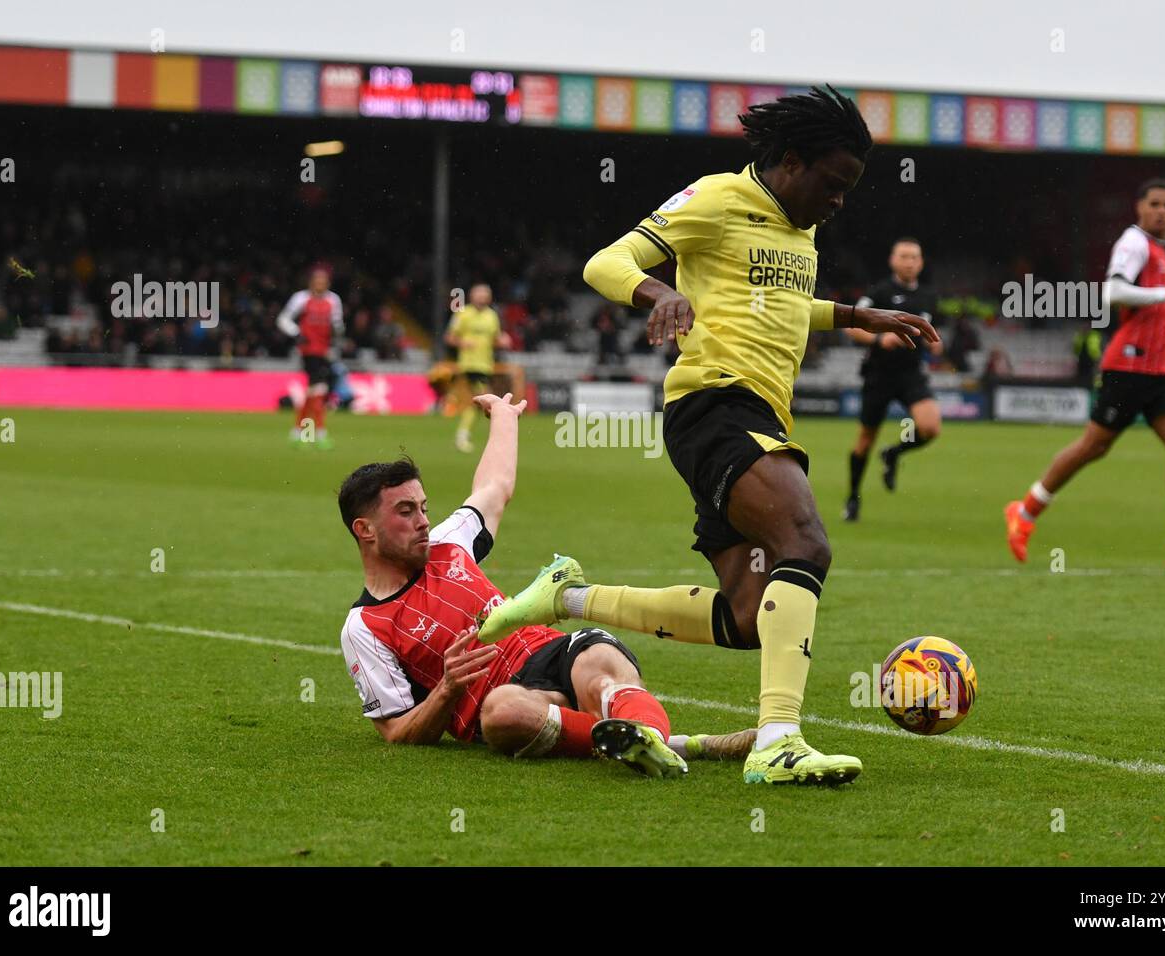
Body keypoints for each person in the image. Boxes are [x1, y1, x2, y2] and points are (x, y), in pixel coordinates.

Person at [478, 86, 937, 786]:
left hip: (755, 416)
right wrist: (661, 293)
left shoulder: (800, 226)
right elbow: (605, 263)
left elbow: (779, 304)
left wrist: (855, 316)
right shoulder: (718, 198)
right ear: (790, 160)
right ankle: (779, 740)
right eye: (833, 183)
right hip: (717, 407)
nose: (840, 200)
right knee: (805, 542)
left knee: (751, 615)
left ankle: (566, 598)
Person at [337, 392, 754, 779]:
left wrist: (504, 418)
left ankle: (648, 737)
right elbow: (395, 731)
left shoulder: (448, 543)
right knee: (503, 714)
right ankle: (677, 743)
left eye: (424, 507)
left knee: (602, 666)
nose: (424, 520)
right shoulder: (366, 626)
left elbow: (494, 488)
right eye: (406, 511)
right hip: (505, 700)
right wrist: (447, 689)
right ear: (365, 530)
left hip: (553, 653)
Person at [1004, 179, 1165, 572]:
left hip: (1162, 367)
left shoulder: (1159, 250)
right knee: (1093, 446)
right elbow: (1113, 292)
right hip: (1128, 366)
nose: (1162, 211)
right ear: (1139, 208)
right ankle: (1024, 511)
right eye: (1155, 204)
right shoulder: (1134, 243)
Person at [842, 238, 943, 521]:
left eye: (914, 257)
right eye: (904, 256)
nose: (909, 262)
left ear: (921, 263)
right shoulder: (879, 292)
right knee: (865, 439)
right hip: (879, 375)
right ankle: (853, 498)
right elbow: (852, 326)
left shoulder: (929, 296)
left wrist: (936, 344)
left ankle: (893, 454)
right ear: (892, 260)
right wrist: (878, 339)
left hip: (911, 374)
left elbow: (933, 333)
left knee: (930, 427)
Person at [277, 267, 343, 450]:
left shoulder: (333, 300)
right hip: (308, 350)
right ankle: (319, 433)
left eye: (323, 281)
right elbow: (283, 319)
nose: (320, 284)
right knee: (319, 388)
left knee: (313, 391)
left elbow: (337, 323)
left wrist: (337, 332)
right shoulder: (301, 298)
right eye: (317, 280)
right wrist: (297, 333)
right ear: (311, 282)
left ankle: (299, 433)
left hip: (325, 350)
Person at [444, 284, 512, 453]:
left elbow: (495, 339)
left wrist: (503, 341)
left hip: (485, 365)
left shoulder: (492, 316)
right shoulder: (463, 313)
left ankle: (463, 434)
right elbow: (450, 337)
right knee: (488, 399)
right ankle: (497, 437)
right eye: (479, 294)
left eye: (485, 294)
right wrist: (463, 343)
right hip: (469, 364)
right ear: (472, 296)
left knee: (477, 403)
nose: (482, 297)